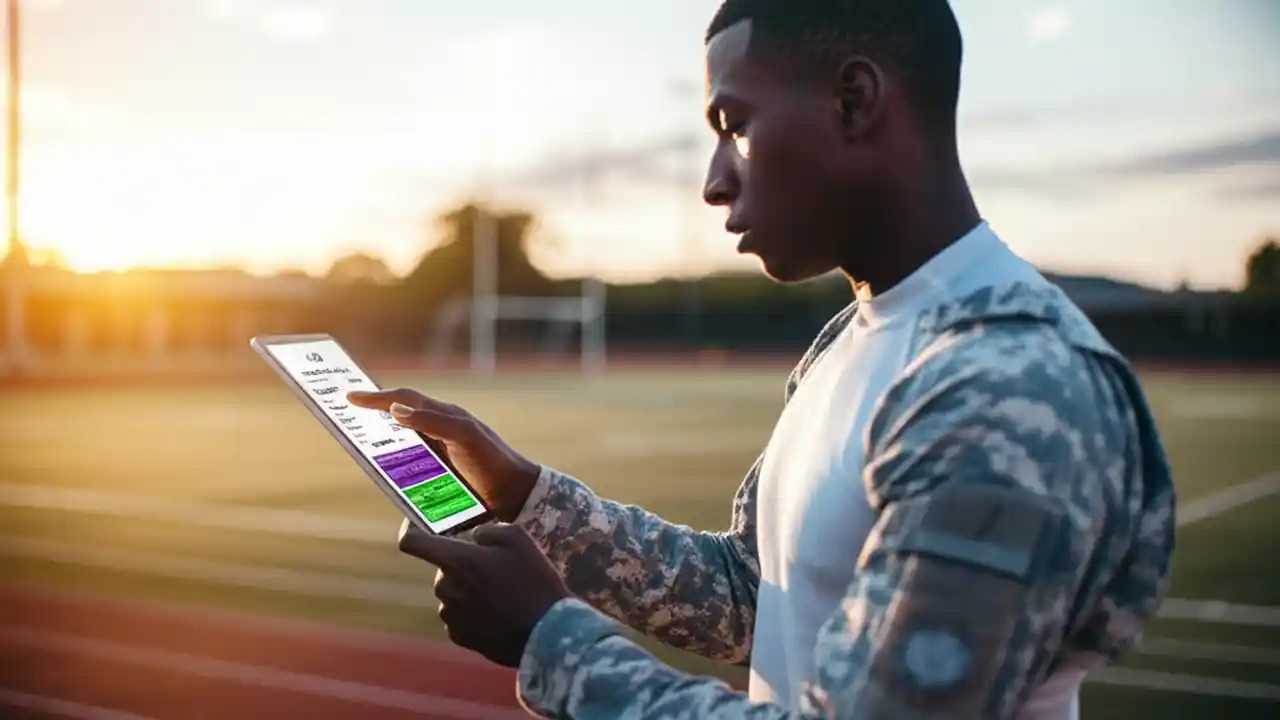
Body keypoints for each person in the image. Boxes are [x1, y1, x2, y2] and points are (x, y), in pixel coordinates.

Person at [348, 1, 1176, 717]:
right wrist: (527, 496)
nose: (714, 181)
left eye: (736, 127)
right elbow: (755, 599)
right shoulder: (854, 339)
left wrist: (550, 641)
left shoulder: (1004, 382)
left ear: (855, 100)